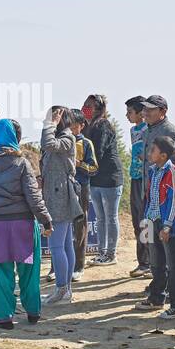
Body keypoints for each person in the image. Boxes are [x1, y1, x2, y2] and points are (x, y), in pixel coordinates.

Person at [0, 118, 53, 329]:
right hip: (23, 225)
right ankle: (33, 312)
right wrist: (46, 220)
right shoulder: (21, 163)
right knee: (29, 272)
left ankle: (4, 317)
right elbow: (34, 198)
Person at [135, 136, 175, 318]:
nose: (150, 153)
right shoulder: (154, 171)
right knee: (157, 262)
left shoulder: (172, 173)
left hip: (167, 224)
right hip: (152, 221)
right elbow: (152, 198)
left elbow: (174, 201)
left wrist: (167, 226)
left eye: (153, 150)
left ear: (163, 155)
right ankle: (157, 297)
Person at [40, 106, 83, 305]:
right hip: (57, 194)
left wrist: (50, 125)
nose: (47, 120)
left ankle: (62, 289)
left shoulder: (67, 138)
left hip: (61, 197)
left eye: (52, 116)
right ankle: (65, 289)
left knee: (57, 245)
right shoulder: (63, 138)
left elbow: (48, 143)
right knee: (65, 245)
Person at [82, 95, 124, 266]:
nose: (85, 108)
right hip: (95, 179)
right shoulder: (87, 127)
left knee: (111, 217)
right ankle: (101, 252)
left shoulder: (104, 126)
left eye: (89, 106)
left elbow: (97, 152)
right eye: (84, 105)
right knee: (100, 218)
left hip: (110, 178)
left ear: (98, 109)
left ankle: (111, 254)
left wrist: (81, 164)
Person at [68, 109, 97, 277]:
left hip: (82, 187)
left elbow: (94, 168)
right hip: (64, 188)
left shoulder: (86, 143)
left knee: (80, 225)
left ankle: (79, 266)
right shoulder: (61, 141)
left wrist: (80, 165)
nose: (71, 128)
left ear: (81, 126)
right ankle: (57, 266)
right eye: (69, 124)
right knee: (62, 226)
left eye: (75, 124)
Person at [125, 96, 151, 278]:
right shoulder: (133, 130)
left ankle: (149, 262)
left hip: (146, 179)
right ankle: (142, 261)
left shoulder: (148, 130)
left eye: (130, 112)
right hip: (135, 177)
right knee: (137, 221)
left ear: (141, 113)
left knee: (145, 221)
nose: (127, 116)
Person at [138, 95, 175, 178]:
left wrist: (172, 185)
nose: (146, 112)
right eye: (145, 109)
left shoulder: (173, 133)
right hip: (149, 189)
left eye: (151, 109)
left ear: (163, 112)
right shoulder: (146, 132)